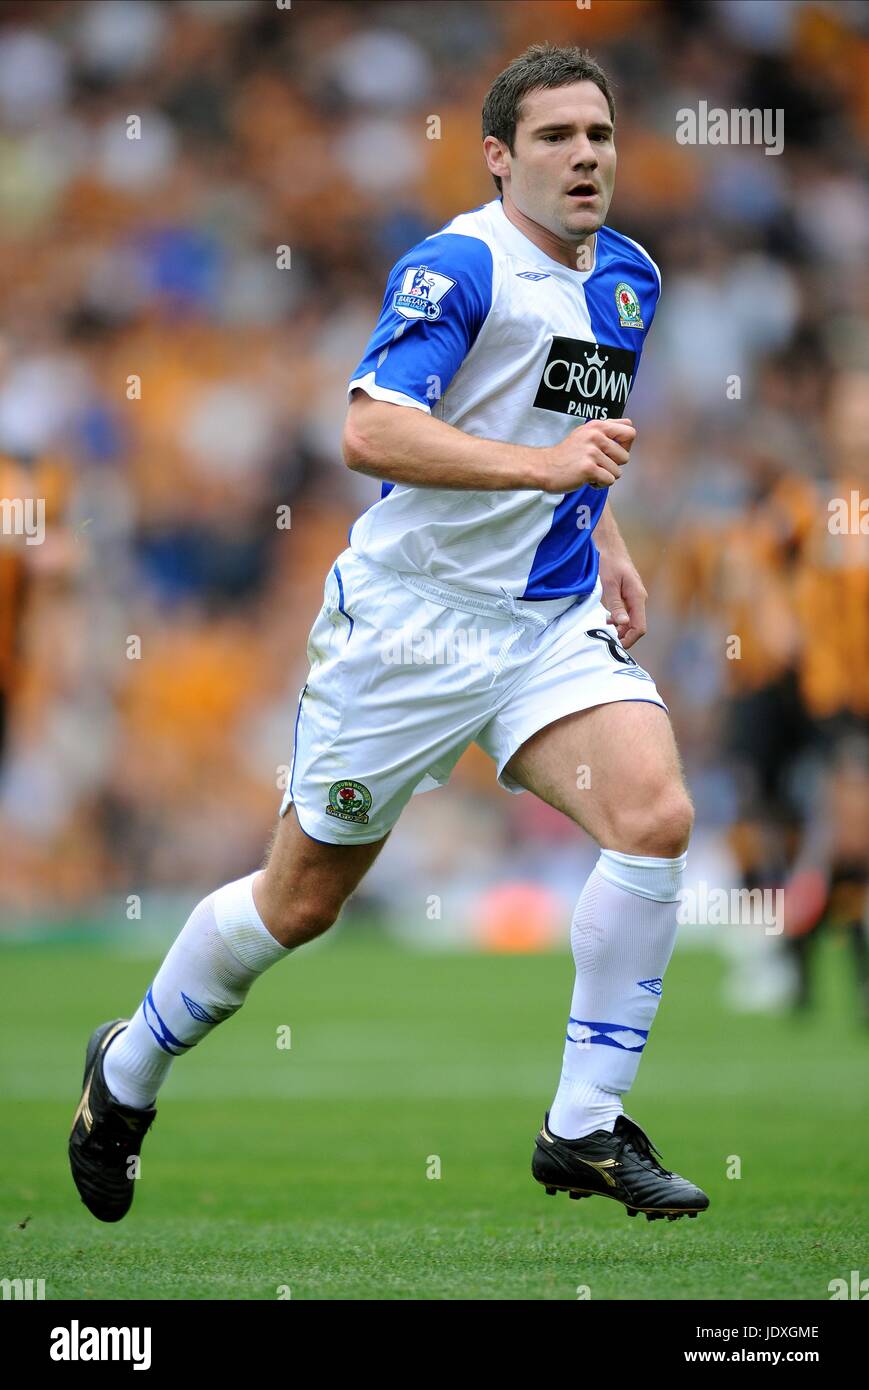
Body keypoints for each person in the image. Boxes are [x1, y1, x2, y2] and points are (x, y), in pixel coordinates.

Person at [70, 43, 708, 1226]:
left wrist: (599, 529)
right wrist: (542, 468)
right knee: (298, 903)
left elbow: (570, 417)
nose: (584, 157)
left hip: (545, 618)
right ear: (498, 157)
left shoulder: (629, 277)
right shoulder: (456, 264)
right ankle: (127, 1070)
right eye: (557, 137)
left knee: (654, 816)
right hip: (411, 631)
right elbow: (368, 432)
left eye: (600, 135)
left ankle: (580, 1127)